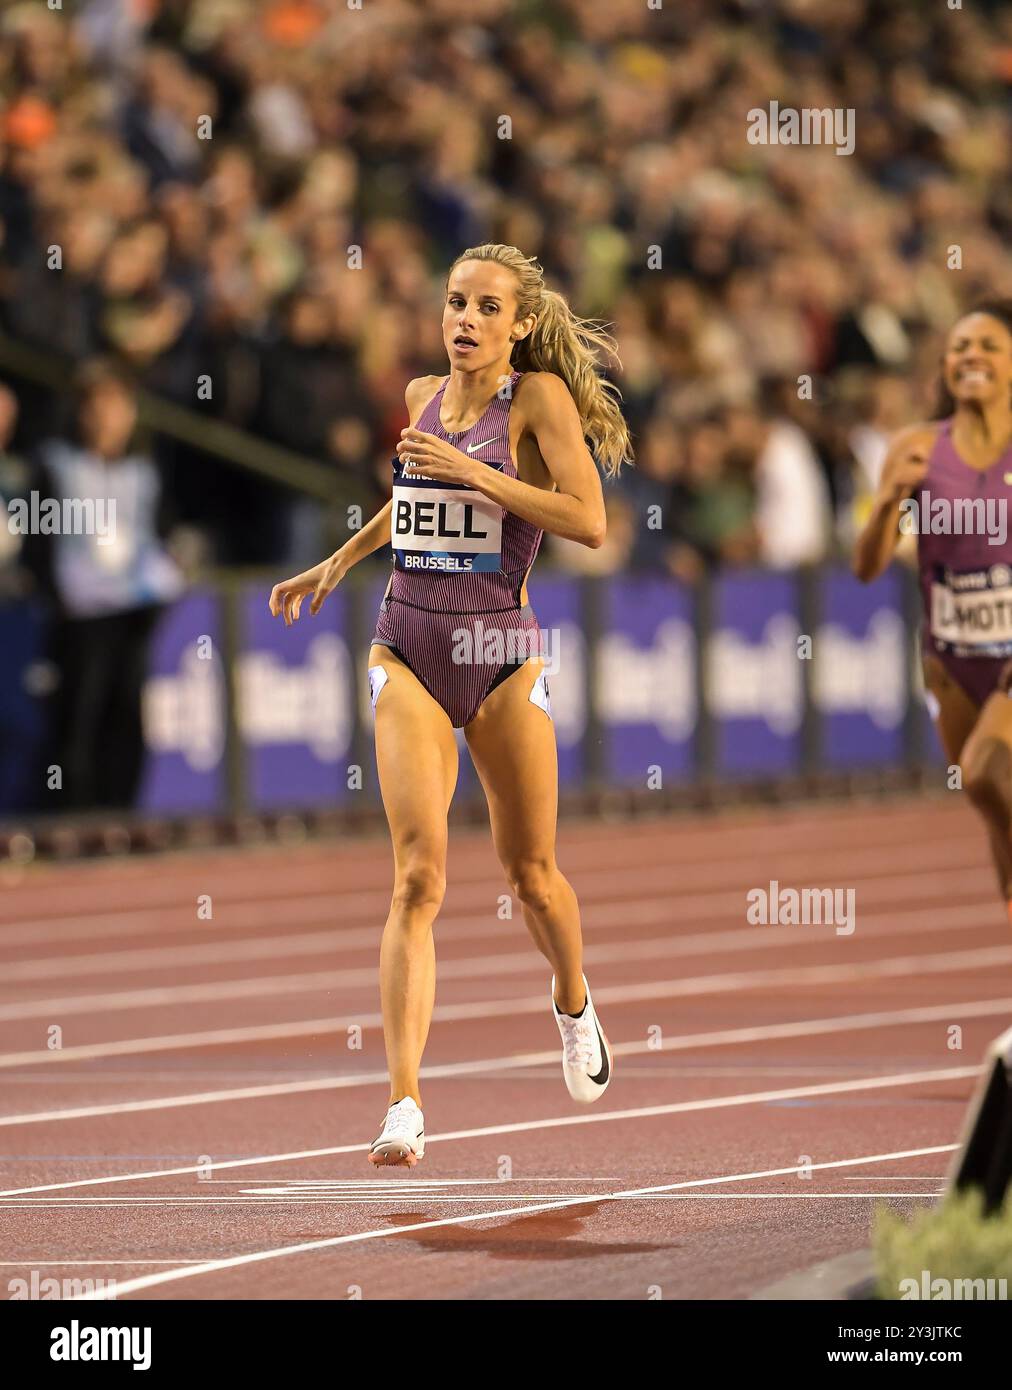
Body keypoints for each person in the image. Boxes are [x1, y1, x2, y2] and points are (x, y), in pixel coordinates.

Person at [270, 243, 631, 1165]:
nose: (465, 320)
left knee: (532, 876)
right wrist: (338, 562)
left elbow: (589, 519)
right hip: (409, 646)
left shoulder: (536, 401)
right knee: (417, 876)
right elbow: (411, 503)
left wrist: (482, 476)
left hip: (500, 654)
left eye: (485, 308)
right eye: (454, 303)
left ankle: (573, 1001)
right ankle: (403, 1104)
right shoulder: (423, 397)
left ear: (518, 326)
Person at [853, 302, 1012, 916]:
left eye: (989, 345)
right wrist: (892, 499)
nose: (971, 356)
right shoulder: (915, 448)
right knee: (996, 810)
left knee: (982, 774)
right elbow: (866, 566)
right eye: (960, 347)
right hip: (950, 663)